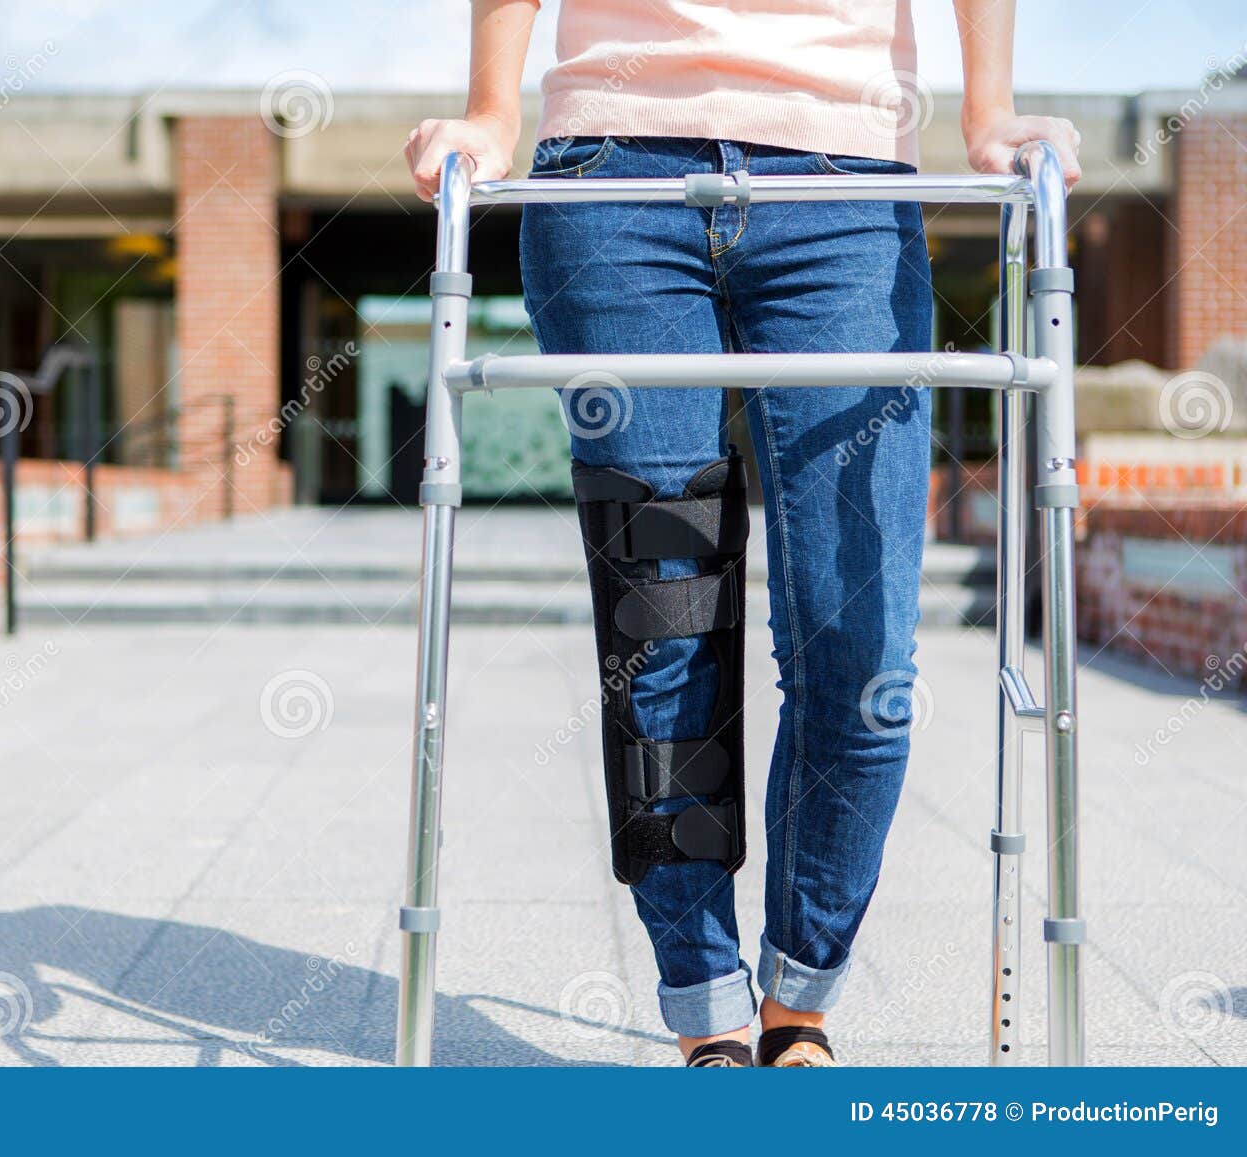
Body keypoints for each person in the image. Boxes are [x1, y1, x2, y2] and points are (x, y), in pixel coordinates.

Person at [405, 0, 1081, 1067]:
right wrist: (492, 110)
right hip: (610, 181)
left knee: (858, 651)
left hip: (844, 185)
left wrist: (987, 110)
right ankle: (706, 1002)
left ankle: (799, 993)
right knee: (662, 621)